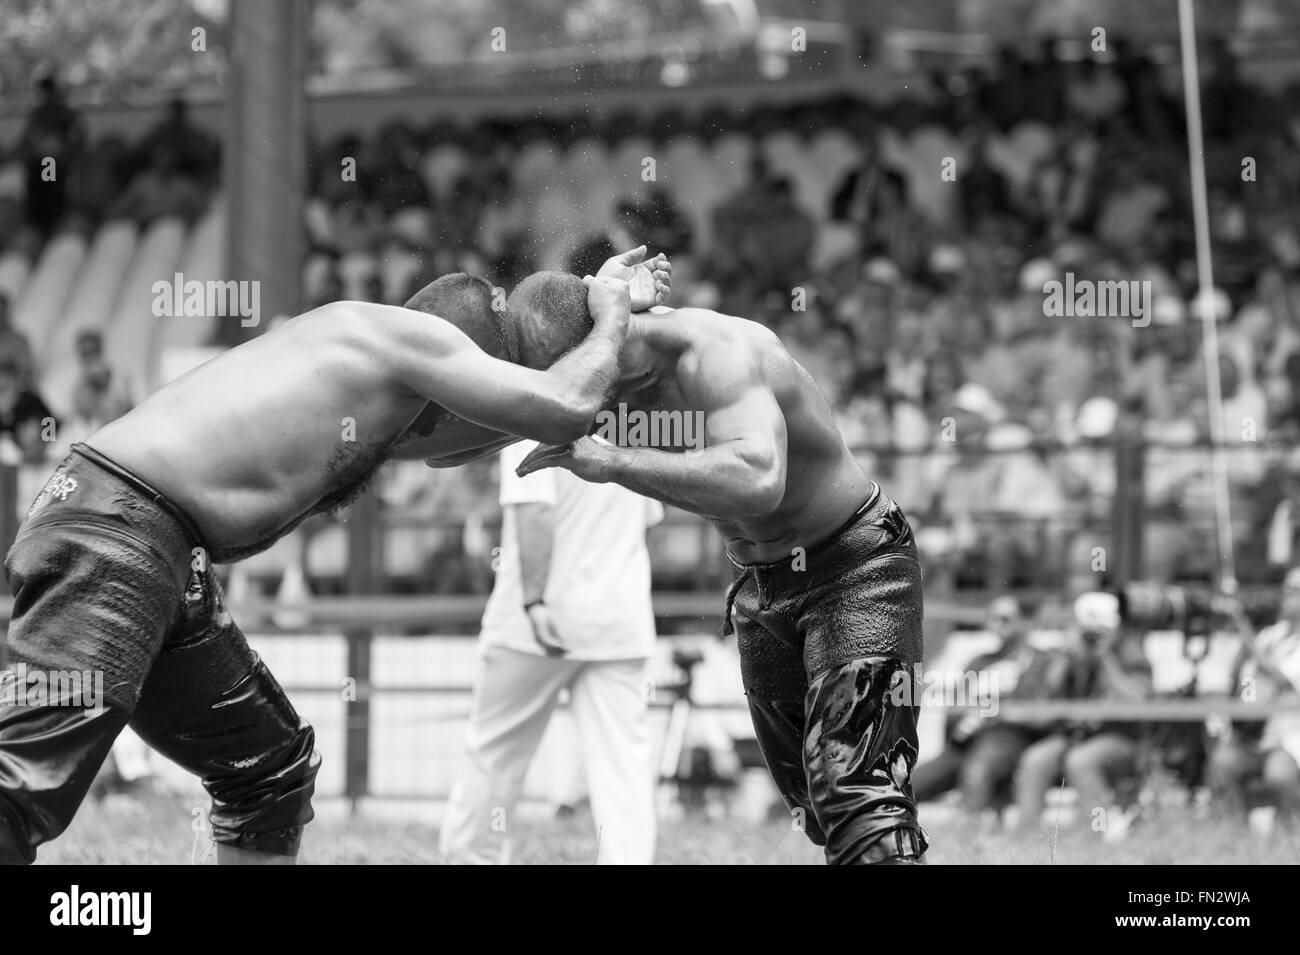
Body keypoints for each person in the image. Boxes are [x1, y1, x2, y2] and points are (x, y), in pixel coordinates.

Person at [0, 247, 671, 865]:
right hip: (116, 527)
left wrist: (591, 300)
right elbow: (562, 405)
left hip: (156, 542)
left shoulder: (370, 373)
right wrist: (609, 315)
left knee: (267, 772)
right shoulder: (418, 346)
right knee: (24, 789)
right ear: (463, 361)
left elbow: (486, 432)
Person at [500, 271, 928, 864]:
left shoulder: (717, 352)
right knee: (815, 800)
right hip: (761, 584)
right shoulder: (601, 374)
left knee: (855, 786)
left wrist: (612, 460)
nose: (563, 397)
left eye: (569, 375)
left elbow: (756, 480)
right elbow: (469, 414)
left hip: (853, 568)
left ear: (607, 344)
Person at [439, 440, 662, 864]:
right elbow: (647, 520)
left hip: (532, 624)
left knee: (495, 756)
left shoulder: (529, 417)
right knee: (623, 767)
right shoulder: (639, 424)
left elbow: (535, 509)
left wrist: (535, 602)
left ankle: (473, 857)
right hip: (618, 619)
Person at [911, 597, 1069, 813]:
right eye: (992, 618)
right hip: (965, 742)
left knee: (977, 771)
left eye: (1005, 618)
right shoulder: (980, 662)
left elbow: (1047, 714)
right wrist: (976, 697)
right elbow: (953, 712)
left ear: (1024, 621)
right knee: (909, 784)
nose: (996, 624)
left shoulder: (1043, 660)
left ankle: (968, 841)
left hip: (1009, 739)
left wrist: (1003, 709)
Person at [1014, 593, 1152, 829]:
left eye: (1100, 631)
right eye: (1089, 632)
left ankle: (1096, 831)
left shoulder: (1130, 652)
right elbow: (1047, 694)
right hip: (1075, 736)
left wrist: (1105, 659)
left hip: (1120, 739)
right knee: (1035, 759)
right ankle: (1027, 834)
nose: (1094, 638)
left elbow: (1137, 702)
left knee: (1081, 761)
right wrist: (1064, 659)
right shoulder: (1070, 654)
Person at [1209, 568, 1300, 822]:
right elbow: (1245, 669)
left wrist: (1242, 622)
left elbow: (1278, 675)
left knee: (1279, 776)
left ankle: (1291, 833)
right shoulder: (1274, 634)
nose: (1286, 595)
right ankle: (1235, 832)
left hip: (1288, 738)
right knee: (1223, 762)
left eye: (1294, 591)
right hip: (1253, 735)